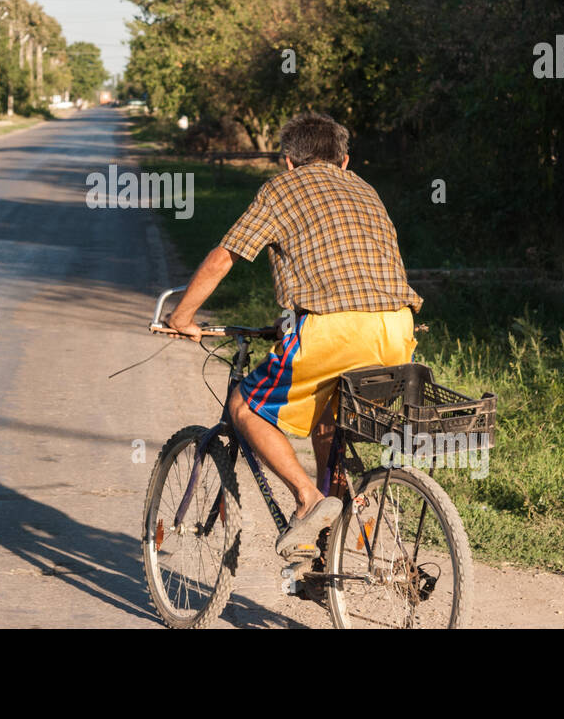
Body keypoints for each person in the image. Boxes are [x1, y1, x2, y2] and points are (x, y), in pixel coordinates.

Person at [164, 112, 422, 557]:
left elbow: (226, 256)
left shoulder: (280, 189)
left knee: (244, 405)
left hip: (330, 328)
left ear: (287, 161)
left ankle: (308, 499)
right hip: (397, 328)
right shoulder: (365, 188)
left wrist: (182, 316)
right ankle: (339, 541)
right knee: (330, 421)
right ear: (344, 160)